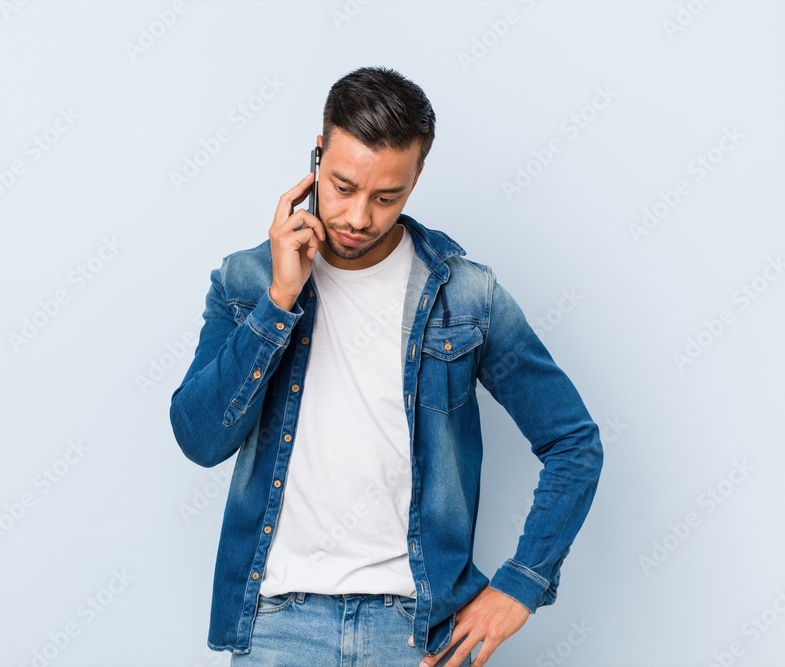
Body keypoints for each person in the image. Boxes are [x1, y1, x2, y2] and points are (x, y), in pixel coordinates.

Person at [169, 66, 604, 667]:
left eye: (386, 196)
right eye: (342, 187)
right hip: (277, 628)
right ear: (317, 155)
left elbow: (573, 442)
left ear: (417, 175)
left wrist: (520, 586)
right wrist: (278, 304)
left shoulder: (467, 294)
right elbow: (199, 439)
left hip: (415, 632)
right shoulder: (247, 281)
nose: (356, 218)